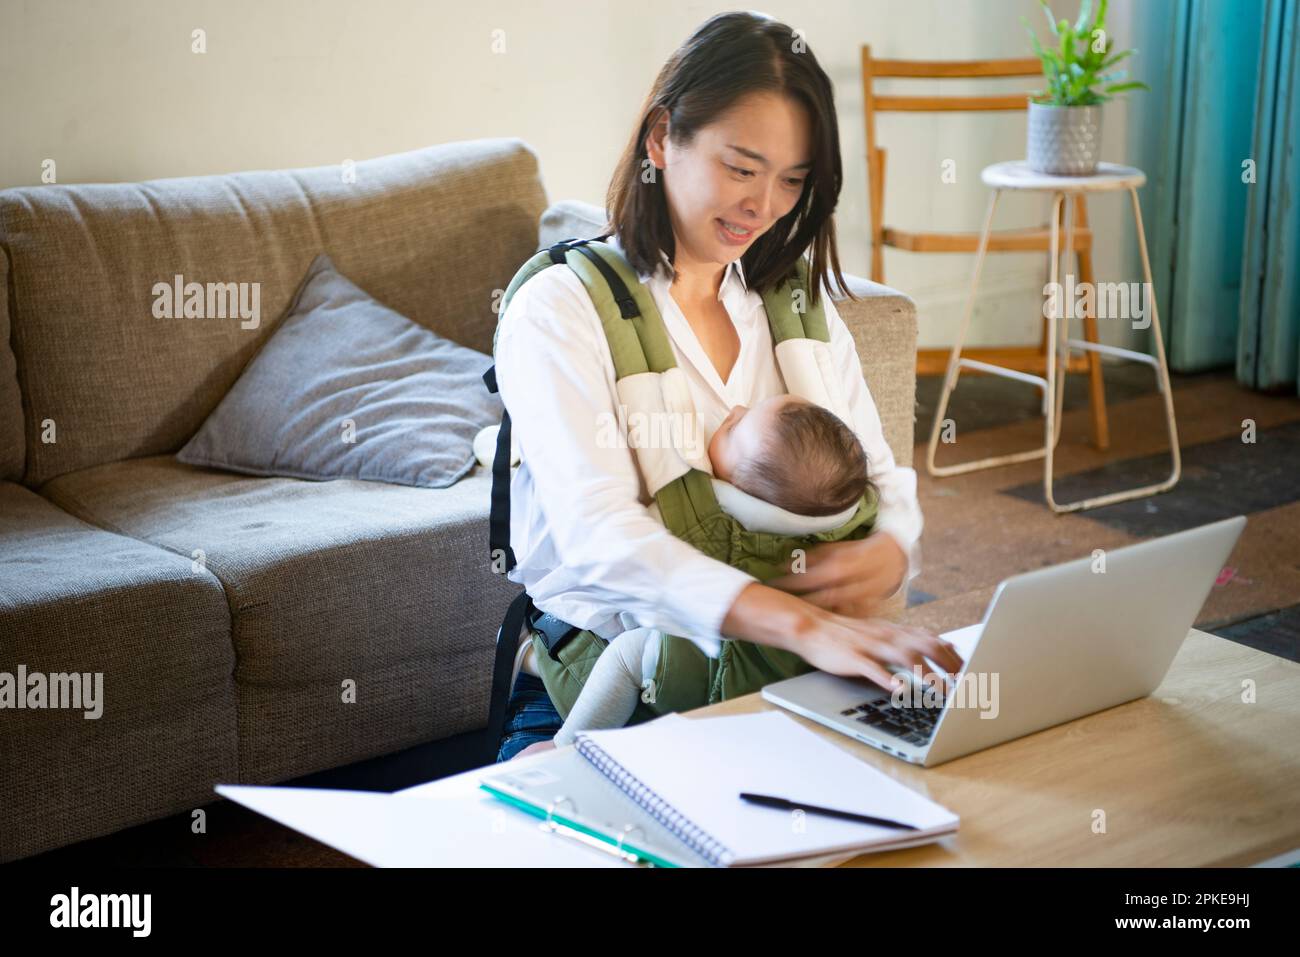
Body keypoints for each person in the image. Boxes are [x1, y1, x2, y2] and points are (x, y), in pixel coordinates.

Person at [494, 11, 962, 762]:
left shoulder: (791, 305)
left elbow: (880, 472)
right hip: (598, 687)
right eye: (742, 168)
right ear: (660, 139)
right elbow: (598, 534)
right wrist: (799, 620)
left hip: (781, 675)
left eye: (792, 181)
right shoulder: (560, 308)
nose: (765, 205)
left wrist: (894, 545)